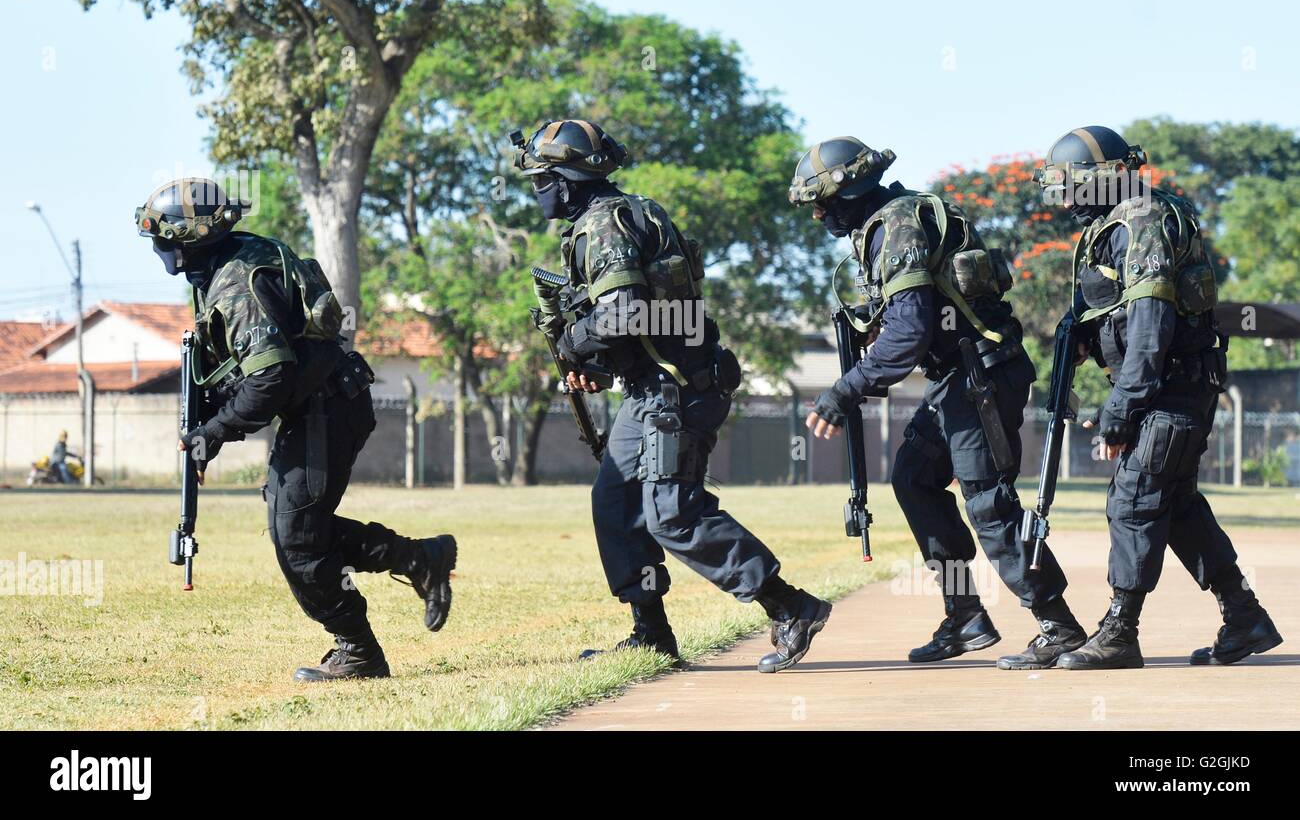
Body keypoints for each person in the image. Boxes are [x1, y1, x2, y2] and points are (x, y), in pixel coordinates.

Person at [513, 119, 831, 673]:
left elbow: (625, 311)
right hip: (650, 390)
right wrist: (597, 364)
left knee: (672, 514)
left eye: (541, 179)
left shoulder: (603, 226)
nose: (538, 190)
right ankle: (652, 634)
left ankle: (792, 607)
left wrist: (573, 340)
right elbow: (650, 320)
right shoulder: (629, 212)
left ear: (564, 180)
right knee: (615, 504)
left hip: (676, 394)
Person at [135, 177, 457, 681]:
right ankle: (420, 558)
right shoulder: (233, 261)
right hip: (321, 406)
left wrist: (214, 432)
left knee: (298, 541)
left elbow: (268, 381)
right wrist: (208, 423)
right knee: (303, 530)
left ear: (190, 240)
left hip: (327, 407)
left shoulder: (236, 281)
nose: (159, 251)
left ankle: (360, 652)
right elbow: (249, 371)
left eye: (165, 241)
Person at [794, 136, 1087, 669]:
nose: (816, 213)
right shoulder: (886, 224)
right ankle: (966, 616)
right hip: (957, 378)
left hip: (981, 377)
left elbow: (908, 334)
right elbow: (912, 324)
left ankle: (1058, 624)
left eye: (821, 200)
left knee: (988, 504)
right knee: (915, 479)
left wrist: (845, 390)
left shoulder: (898, 224)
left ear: (848, 191)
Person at [1037, 126, 1283, 669]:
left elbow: (1150, 326)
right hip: (1169, 387)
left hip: (1170, 390)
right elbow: (1115, 312)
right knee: (1176, 506)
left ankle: (1121, 633)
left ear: (1112, 178)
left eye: (1078, 185)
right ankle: (1245, 618)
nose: (1070, 197)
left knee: (1135, 500)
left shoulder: (1144, 220)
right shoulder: (1113, 225)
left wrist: (1121, 410)